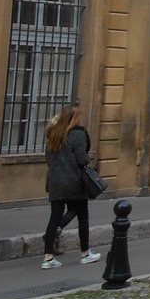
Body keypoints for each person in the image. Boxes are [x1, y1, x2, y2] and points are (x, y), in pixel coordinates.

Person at [40, 105, 99, 269]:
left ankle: (48, 258)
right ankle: (85, 253)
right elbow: (82, 159)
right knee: (83, 216)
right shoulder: (77, 134)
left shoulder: (54, 135)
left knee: (54, 217)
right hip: (74, 181)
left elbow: (48, 158)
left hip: (55, 181)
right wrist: (86, 159)